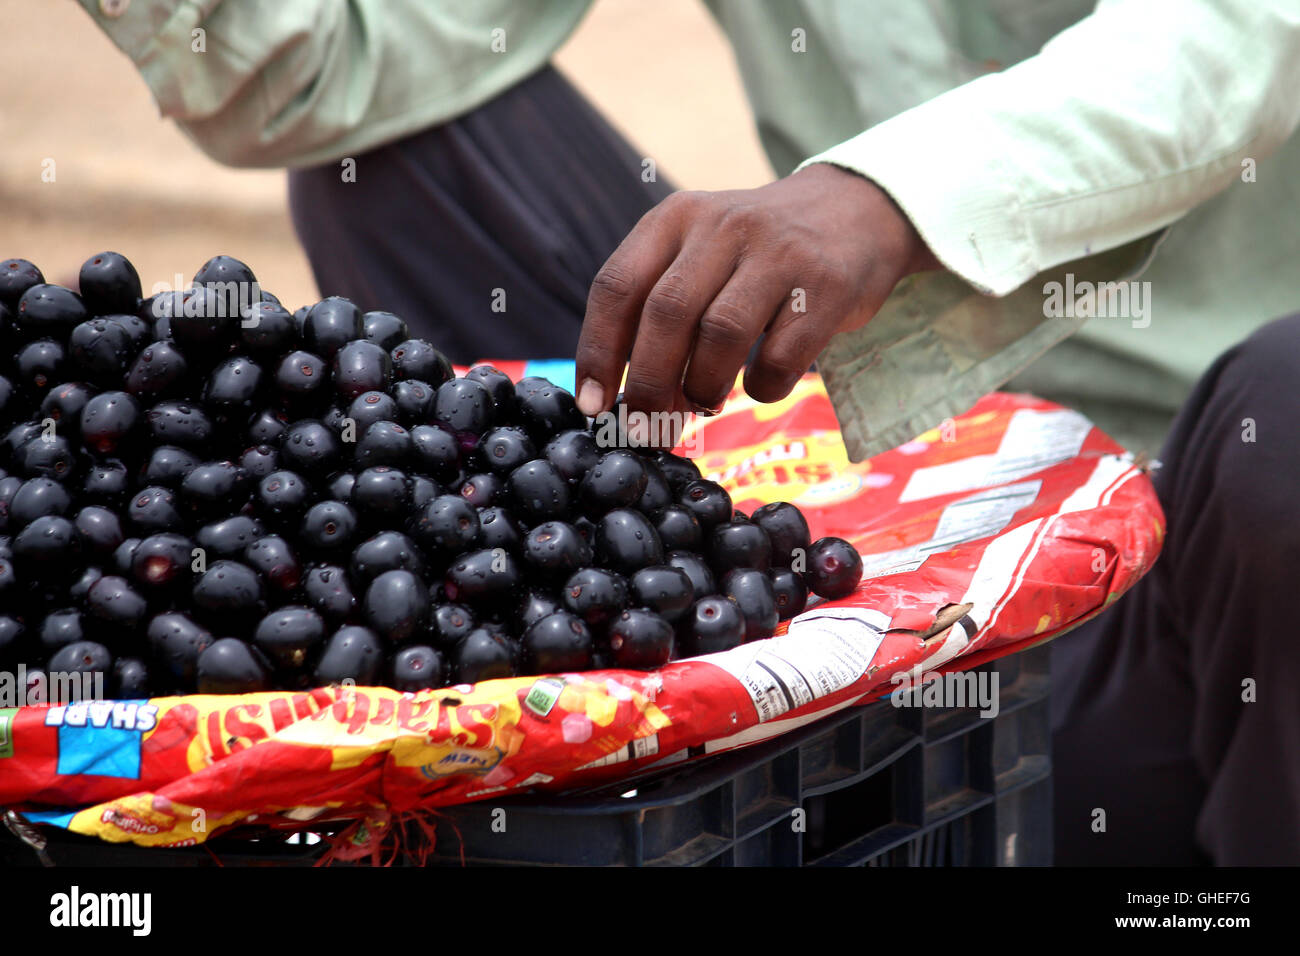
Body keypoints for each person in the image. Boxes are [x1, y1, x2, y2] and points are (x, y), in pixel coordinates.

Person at [79, 0, 1300, 863]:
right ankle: (615, 765)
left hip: (1204, 566)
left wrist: (892, 197)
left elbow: (1243, 32)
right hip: (848, 507)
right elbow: (329, 61)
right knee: (399, 149)